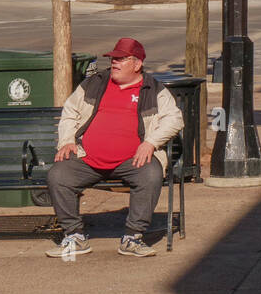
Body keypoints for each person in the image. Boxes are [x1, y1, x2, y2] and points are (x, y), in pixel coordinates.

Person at [44, 37, 183, 259]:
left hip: (132, 159)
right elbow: (70, 113)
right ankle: (74, 236)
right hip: (87, 158)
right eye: (113, 59)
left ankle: (132, 237)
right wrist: (67, 141)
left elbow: (174, 119)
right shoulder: (94, 83)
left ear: (137, 64)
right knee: (58, 175)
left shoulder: (153, 89)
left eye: (121, 59)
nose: (114, 63)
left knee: (151, 174)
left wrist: (150, 143)